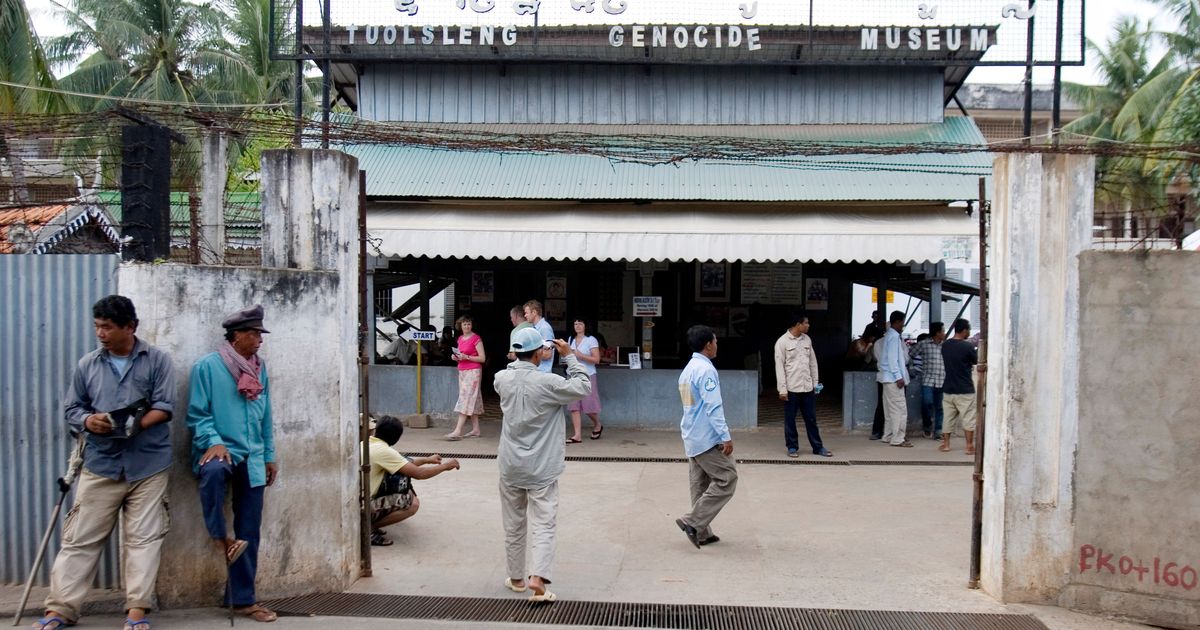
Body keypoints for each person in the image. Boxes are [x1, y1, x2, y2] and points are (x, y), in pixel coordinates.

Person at [36, 296, 175, 630]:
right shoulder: (88, 365)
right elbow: (73, 409)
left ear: (130, 327)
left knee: (143, 539)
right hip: (100, 463)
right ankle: (60, 610)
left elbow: (165, 406)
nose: (101, 333)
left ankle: (137, 612)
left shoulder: (157, 360)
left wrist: (133, 423)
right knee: (80, 538)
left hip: (148, 465)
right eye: (97, 326)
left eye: (108, 327)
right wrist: (89, 421)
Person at [186, 305, 279, 623]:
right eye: (254, 334)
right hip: (221, 449)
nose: (259, 340)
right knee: (212, 473)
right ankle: (218, 536)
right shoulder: (207, 367)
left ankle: (242, 599)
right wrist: (213, 440)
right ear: (237, 335)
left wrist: (269, 455)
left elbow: (266, 414)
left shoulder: (259, 368)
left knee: (250, 529)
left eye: (259, 334)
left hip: (252, 456)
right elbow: (197, 414)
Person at [493, 327, 591, 603]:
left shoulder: (501, 379)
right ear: (538, 353)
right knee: (543, 523)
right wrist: (570, 356)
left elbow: (514, 367)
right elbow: (583, 386)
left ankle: (516, 578)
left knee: (513, 524)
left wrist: (522, 352)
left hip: (511, 464)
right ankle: (537, 576)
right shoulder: (549, 383)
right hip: (542, 467)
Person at [674, 325, 737, 549]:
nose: (717, 344)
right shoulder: (706, 370)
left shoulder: (688, 369)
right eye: (715, 341)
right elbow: (713, 407)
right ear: (708, 345)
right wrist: (725, 436)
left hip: (691, 434)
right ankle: (692, 522)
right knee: (727, 479)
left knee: (699, 485)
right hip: (706, 437)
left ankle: (701, 533)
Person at [368, 415, 460, 546]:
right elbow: (419, 474)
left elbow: (403, 463)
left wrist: (427, 460)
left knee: (406, 489)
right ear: (396, 438)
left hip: (358, 501)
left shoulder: (368, 444)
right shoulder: (384, 451)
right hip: (363, 506)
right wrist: (445, 466)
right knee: (412, 504)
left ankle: (369, 524)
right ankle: (368, 529)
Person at [773, 313, 831, 458]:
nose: (808, 325)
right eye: (806, 323)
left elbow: (813, 363)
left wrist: (815, 383)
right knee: (790, 419)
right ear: (797, 324)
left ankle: (818, 447)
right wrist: (782, 389)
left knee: (811, 419)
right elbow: (779, 367)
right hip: (791, 389)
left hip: (807, 388)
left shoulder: (807, 340)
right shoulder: (782, 342)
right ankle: (792, 447)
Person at [940, 319, 980, 455]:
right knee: (968, 418)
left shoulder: (945, 345)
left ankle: (946, 444)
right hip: (965, 389)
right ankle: (969, 446)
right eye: (968, 330)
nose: (969, 333)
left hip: (948, 388)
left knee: (948, 417)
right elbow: (976, 360)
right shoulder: (967, 347)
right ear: (964, 331)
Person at [446, 315, 486, 440]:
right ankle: (476, 429)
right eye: (465, 324)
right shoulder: (460, 339)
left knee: (465, 398)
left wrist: (467, 357)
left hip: (473, 371)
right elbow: (461, 355)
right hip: (462, 371)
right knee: (472, 398)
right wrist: (456, 357)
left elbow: (482, 358)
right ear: (460, 326)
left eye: (469, 323)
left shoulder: (476, 338)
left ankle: (458, 430)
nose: (467, 326)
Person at [877, 310, 912, 447]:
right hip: (893, 379)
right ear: (897, 322)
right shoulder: (894, 337)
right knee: (899, 410)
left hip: (887, 379)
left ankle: (888, 435)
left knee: (890, 410)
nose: (903, 325)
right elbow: (893, 359)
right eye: (902, 322)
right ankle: (898, 438)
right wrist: (898, 377)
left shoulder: (889, 336)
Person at [566, 317, 603, 443]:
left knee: (589, 406)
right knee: (574, 406)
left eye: (580, 323)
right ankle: (577, 435)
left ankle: (597, 424)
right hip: (573, 375)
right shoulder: (570, 339)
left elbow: (596, 359)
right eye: (575, 323)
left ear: (585, 325)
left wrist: (580, 355)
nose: (577, 326)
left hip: (588, 375)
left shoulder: (591, 340)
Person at [911, 322, 946, 439]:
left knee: (940, 407)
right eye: (943, 331)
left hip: (941, 380)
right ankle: (927, 426)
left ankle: (938, 431)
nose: (944, 333)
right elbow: (909, 354)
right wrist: (912, 368)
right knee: (927, 403)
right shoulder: (924, 344)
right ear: (937, 333)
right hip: (928, 380)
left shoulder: (945, 346)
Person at [523, 300, 556, 373]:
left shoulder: (544, 328)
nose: (525, 316)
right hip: (536, 373)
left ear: (534, 312)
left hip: (542, 374)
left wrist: (526, 353)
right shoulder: (534, 328)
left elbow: (548, 354)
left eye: (526, 313)